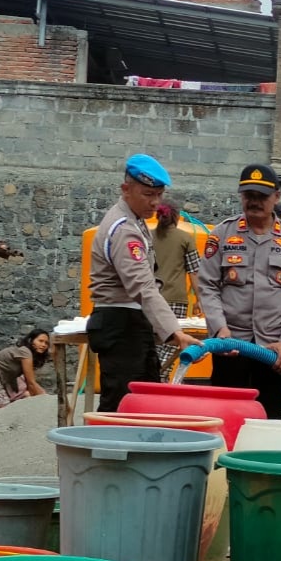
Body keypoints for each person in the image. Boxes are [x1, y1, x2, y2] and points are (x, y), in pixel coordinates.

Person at [196, 163, 281, 419]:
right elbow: (208, 285)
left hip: (274, 350)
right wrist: (218, 329)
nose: (254, 202)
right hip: (230, 345)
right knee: (225, 417)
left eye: (262, 196)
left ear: (277, 197)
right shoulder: (223, 234)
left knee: (269, 419)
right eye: (249, 196)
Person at [88, 155, 201, 412]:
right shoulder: (124, 229)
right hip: (121, 322)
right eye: (148, 194)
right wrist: (175, 332)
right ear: (126, 189)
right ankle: (109, 452)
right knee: (122, 406)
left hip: (132, 323)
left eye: (159, 195)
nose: (155, 202)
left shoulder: (135, 221)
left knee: (143, 402)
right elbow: (142, 287)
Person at [151, 203, 201, 375]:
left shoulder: (147, 238)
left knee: (151, 347)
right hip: (176, 301)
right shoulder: (185, 238)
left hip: (150, 301)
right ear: (177, 217)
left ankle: (151, 379)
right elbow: (195, 272)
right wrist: (199, 301)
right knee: (170, 348)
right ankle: (159, 380)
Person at [0, 330, 50, 411]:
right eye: (40, 341)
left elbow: (29, 382)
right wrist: (46, 399)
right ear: (31, 340)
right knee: (5, 410)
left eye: (46, 343)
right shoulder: (25, 352)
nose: (43, 345)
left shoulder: (28, 354)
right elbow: (31, 382)